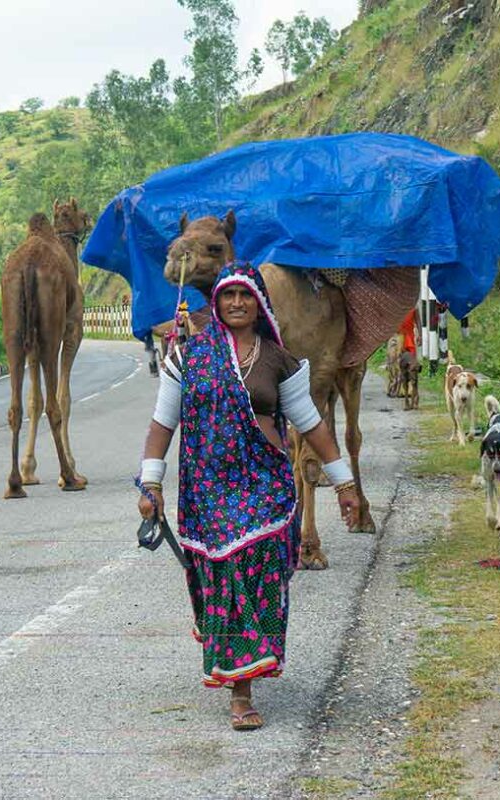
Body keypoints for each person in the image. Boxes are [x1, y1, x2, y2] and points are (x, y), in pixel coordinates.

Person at [137, 262, 359, 731]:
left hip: (264, 486)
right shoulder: (188, 357)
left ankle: (243, 679)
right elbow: (163, 424)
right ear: (214, 304)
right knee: (223, 577)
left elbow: (311, 424)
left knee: (256, 571)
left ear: (260, 304)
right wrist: (151, 482)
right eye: (228, 296)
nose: (237, 304)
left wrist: (344, 483)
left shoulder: (279, 361)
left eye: (246, 296)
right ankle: (241, 687)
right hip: (208, 492)